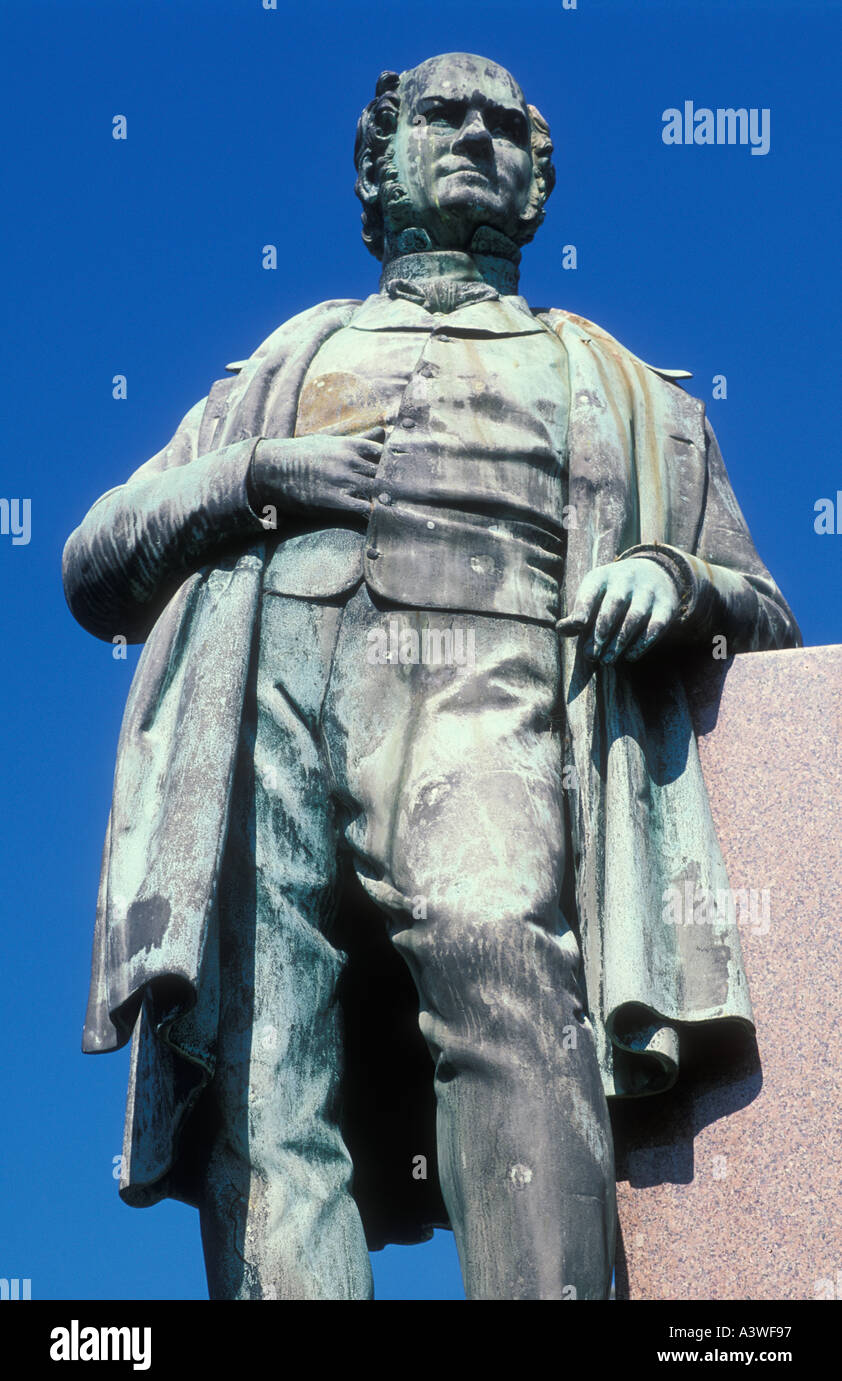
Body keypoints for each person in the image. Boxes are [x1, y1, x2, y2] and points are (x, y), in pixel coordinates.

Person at [63, 51, 800, 1300]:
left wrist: (675, 578)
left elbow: (762, 614)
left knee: (504, 971)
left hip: (493, 681)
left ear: (534, 184)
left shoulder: (627, 392)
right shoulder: (270, 374)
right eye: (441, 117)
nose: (473, 136)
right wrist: (254, 479)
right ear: (377, 162)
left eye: (500, 124)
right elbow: (93, 565)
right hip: (266, 686)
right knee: (265, 1062)